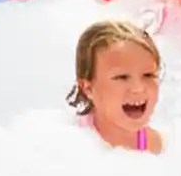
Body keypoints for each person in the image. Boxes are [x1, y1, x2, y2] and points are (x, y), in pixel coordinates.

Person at [66, 20, 164, 154]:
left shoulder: (153, 144)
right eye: (122, 77)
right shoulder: (73, 141)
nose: (138, 88)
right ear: (88, 89)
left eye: (148, 75)